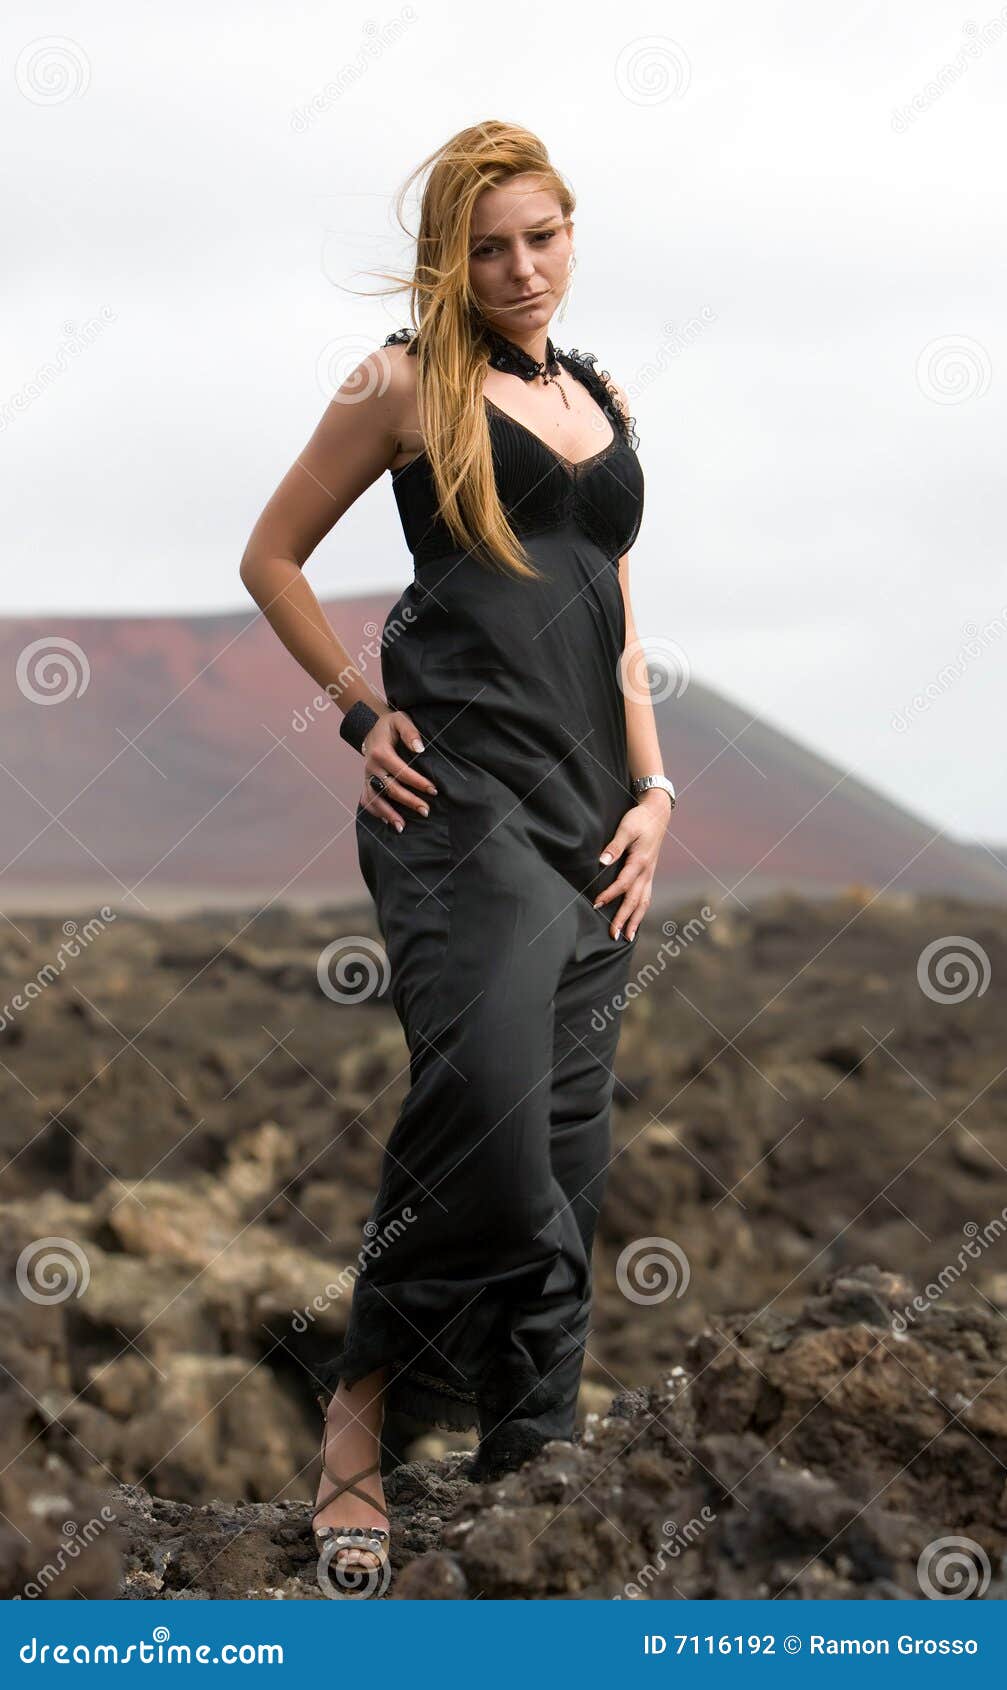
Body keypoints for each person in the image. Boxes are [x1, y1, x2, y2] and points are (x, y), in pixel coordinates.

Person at [239, 120, 674, 1582]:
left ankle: (531, 1448)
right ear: (450, 257)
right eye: (488, 247)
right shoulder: (402, 385)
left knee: (567, 1144)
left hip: (596, 816)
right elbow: (272, 555)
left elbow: (613, 602)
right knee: (483, 1112)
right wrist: (359, 709)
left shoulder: (599, 392)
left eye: (541, 236)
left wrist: (658, 789)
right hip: (460, 809)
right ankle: (359, 1410)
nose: (520, 267)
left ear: (571, 232)